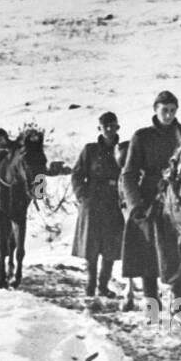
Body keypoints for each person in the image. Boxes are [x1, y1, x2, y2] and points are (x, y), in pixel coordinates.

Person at [119, 90, 180, 310]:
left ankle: (179, 310)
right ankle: (152, 308)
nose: (168, 115)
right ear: (155, 110)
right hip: (149, 199)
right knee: (147, 257)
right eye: (164, 110)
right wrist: (135, 204)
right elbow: (128, 174)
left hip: (179, 199)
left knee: (180, 255)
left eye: (172, 111)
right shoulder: (142, 137)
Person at [70, 112, 126, 296]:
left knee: (110, 247)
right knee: (91, 247)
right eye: (105, 126)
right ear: (99, 129)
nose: (109, 129)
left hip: (113, 203)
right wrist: (82, 196)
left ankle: (103, 285)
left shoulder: (124, 149)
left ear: (118, 127)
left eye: (113, 125)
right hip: (92, 202)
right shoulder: (90, 150)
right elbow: (77, 174)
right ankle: (91, 283)